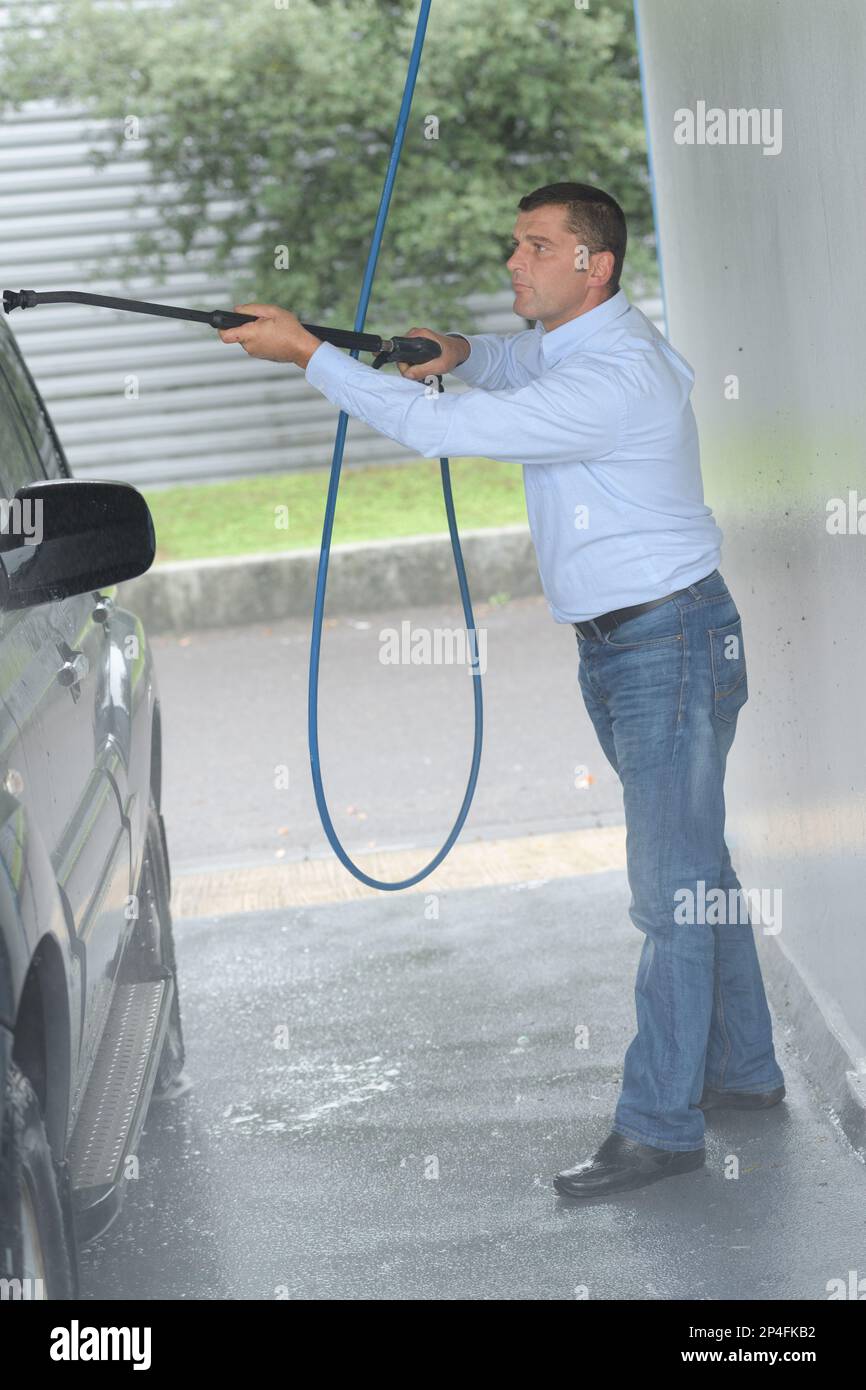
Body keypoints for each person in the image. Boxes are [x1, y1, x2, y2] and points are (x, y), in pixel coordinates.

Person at [217, 180, 785, 1199]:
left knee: (668, 896)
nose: (511, 261)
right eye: (513, 243)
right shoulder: (584, 345)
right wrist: (465, 353)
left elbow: (443, 433)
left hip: (669, 649)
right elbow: (515, 363)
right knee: (694, 866)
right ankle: (741, 1070)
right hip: (634, 647)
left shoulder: (619, 379)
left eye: (533, 246)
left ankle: (660, 1126)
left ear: (592, 266)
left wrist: (312, 356)